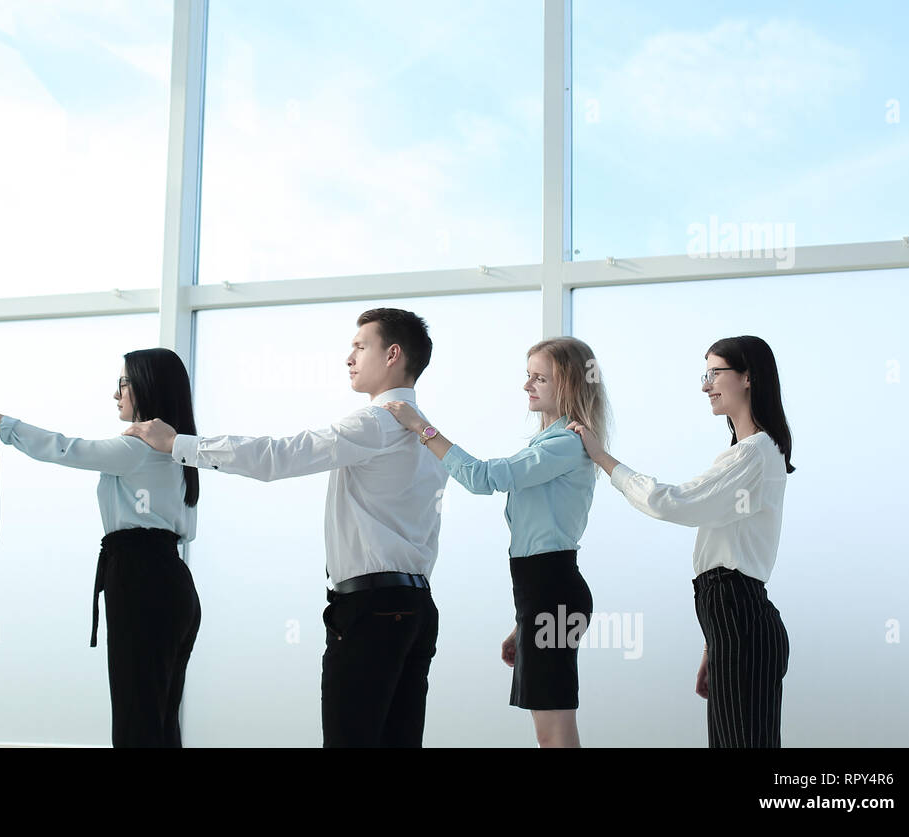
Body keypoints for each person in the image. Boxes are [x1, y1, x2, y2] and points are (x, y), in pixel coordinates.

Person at [125, 308, 448, 748]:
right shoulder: (429, 437)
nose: (348, 357)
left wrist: (177, 444)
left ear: (392, 354)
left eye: (359, 346)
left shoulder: (375, 421)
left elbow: (279, 456)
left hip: (372, 610)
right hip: (419, 609)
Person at [0, 348, 200, 748]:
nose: (116, 393)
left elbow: (65, 448)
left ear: (146, 387)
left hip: (142, 579)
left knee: (137, 718)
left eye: (123, 382)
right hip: (171, 581)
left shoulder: (140, 448)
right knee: (159, 717)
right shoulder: (176, 453)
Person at [567, 335, 793, 748]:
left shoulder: (753, 454)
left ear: (747, 377)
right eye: (705, 374)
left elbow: (674, 503)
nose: (706, 385)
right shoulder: (748, 452)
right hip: (732, 620)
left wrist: (602, 458)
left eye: (715, 373)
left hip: (740, 618)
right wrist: (713, 641)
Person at [383, 337, 608, 747]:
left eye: (539, 378)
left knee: (554, 734)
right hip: (542, 594)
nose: (527, 386)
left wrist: (422, 427)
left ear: (571, 384)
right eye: (528, 376)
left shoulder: (564, 444)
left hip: (551, 592)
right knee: (554, 729)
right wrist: (522, 623)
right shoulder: (554, 442)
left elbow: (483, 477)